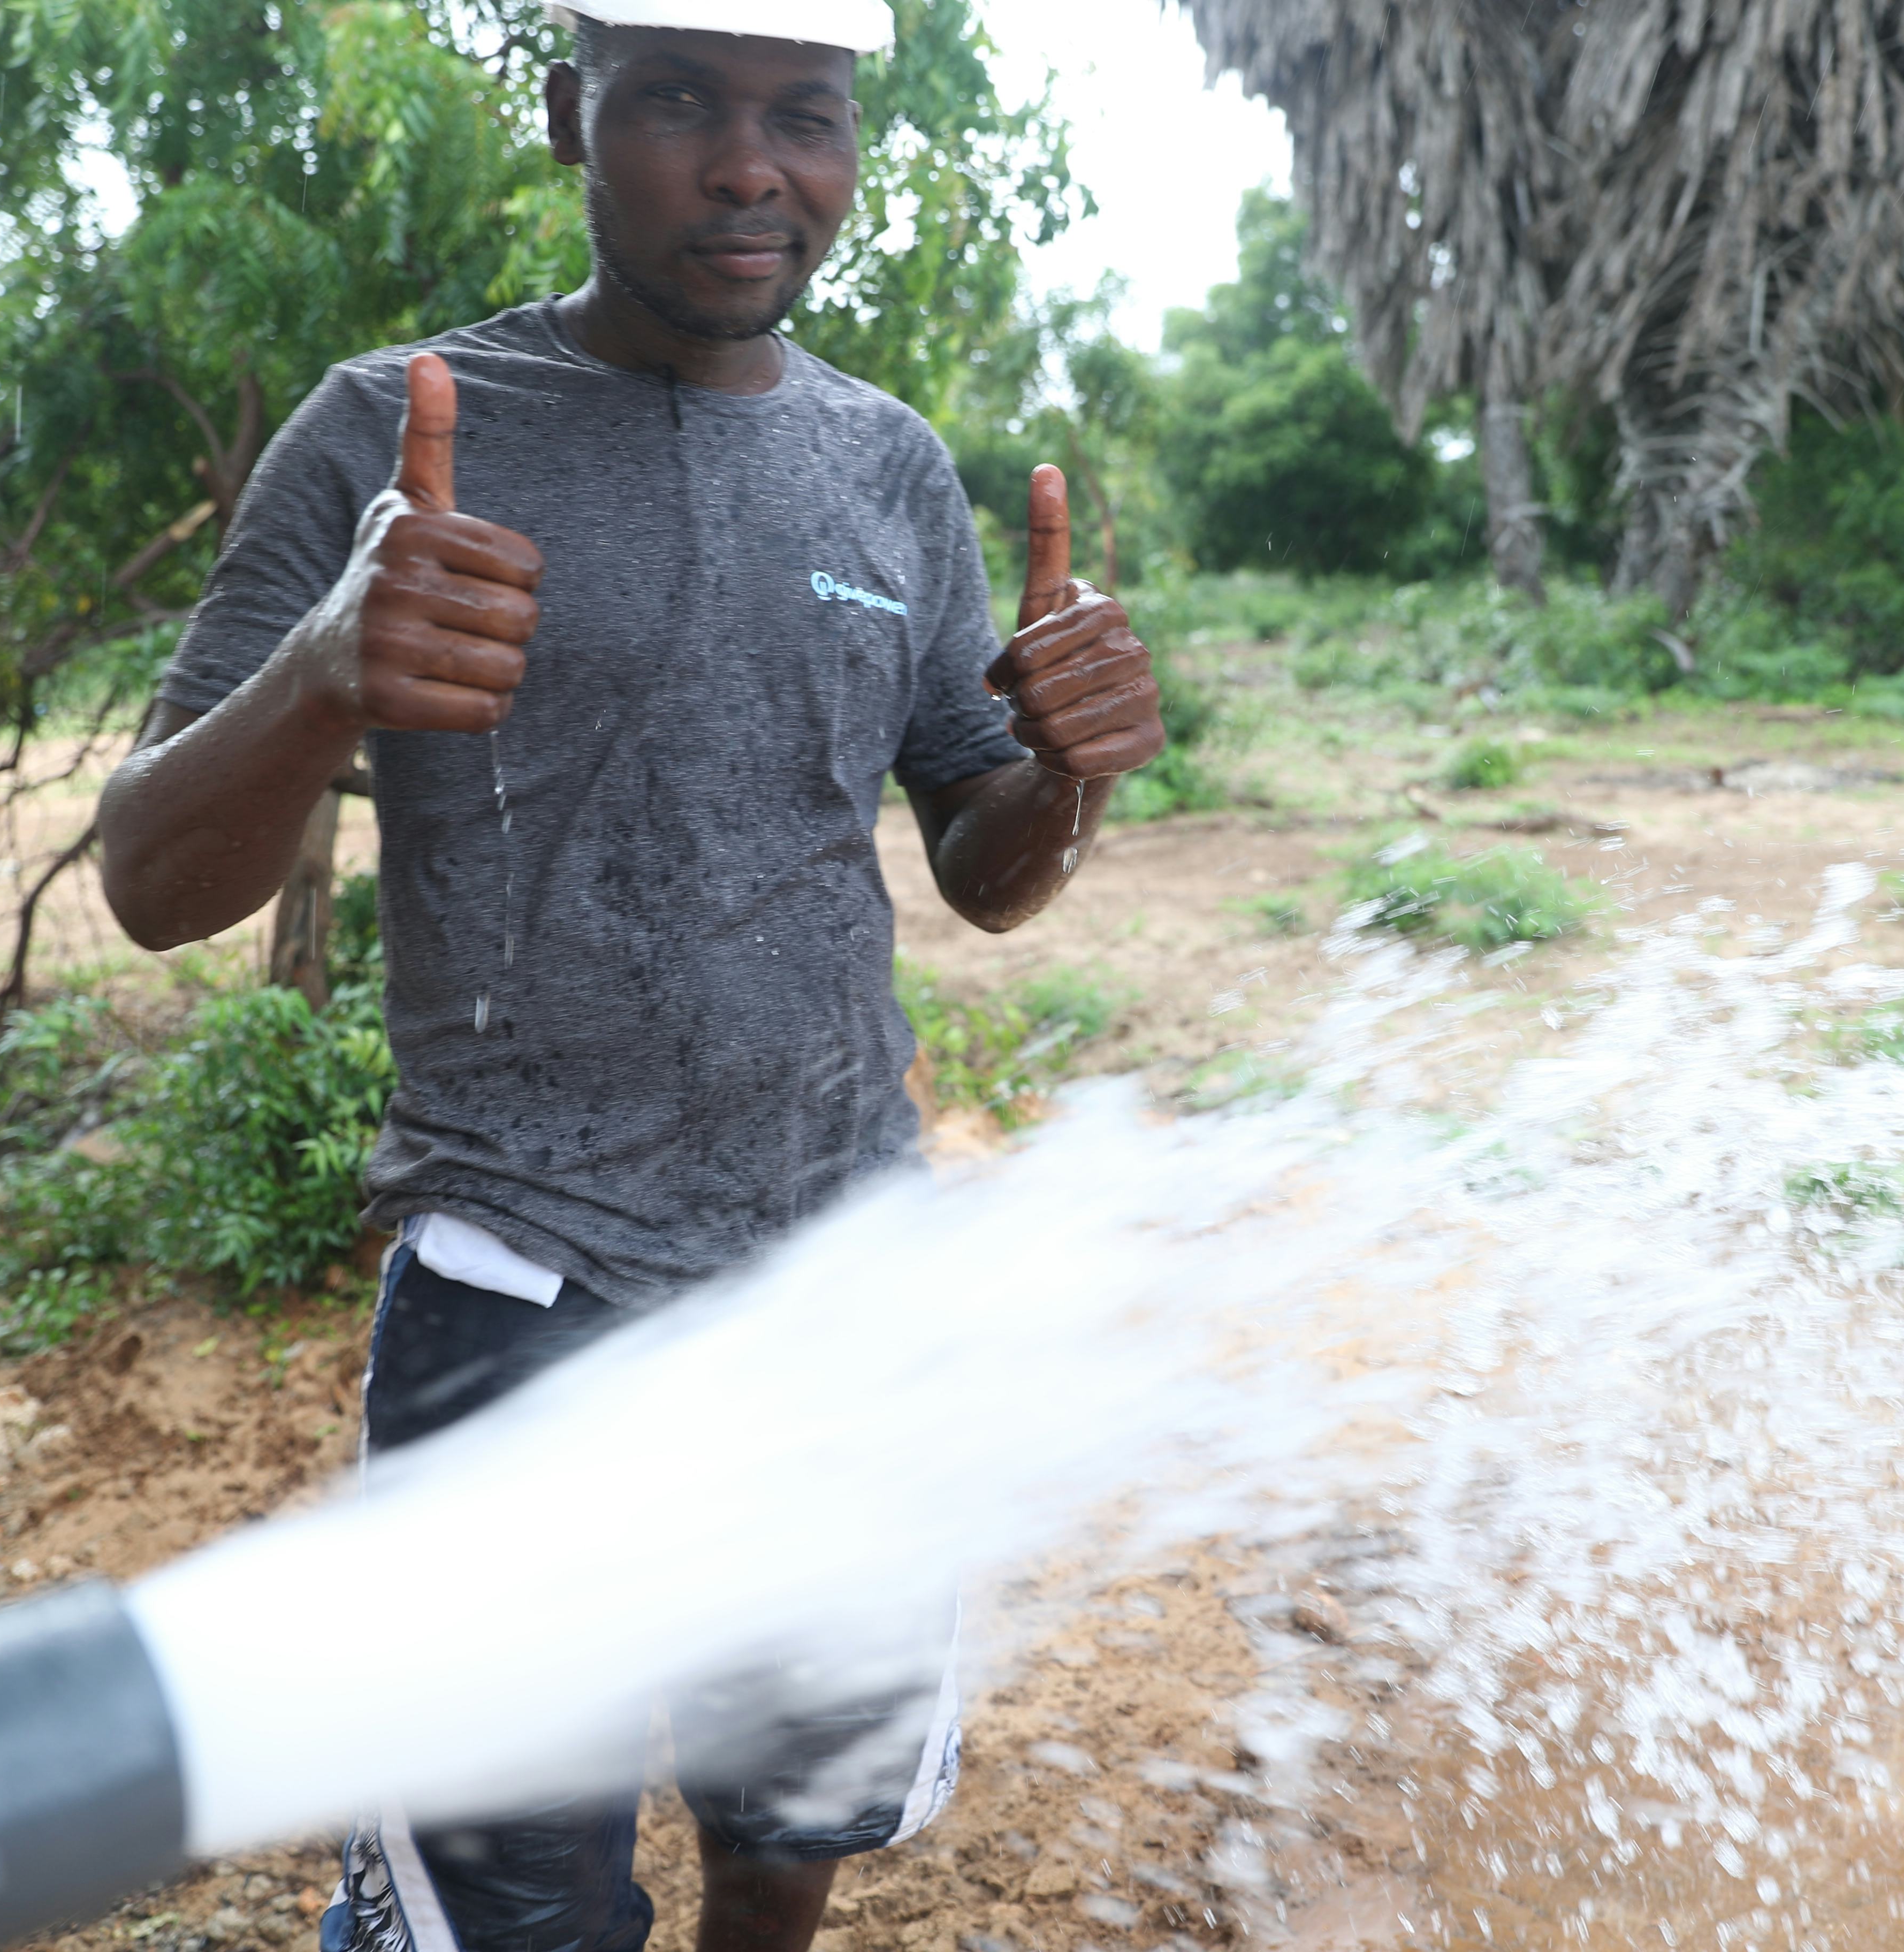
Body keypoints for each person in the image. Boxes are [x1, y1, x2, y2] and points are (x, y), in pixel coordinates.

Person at [94, 2, 1164, 1947]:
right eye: (682, 103)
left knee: (785, 1840)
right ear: (575, 111)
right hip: (524, 1290)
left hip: (845, 1274)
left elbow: (983, 870)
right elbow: (156, 884)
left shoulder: (885, 467)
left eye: (804, 117)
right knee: (509, 1913)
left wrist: (1064, 773)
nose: (751, 167)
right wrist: (327, 666)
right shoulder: (388, 430)